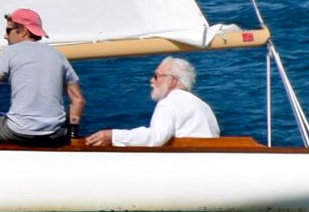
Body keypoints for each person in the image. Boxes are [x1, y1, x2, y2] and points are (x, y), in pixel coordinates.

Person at [0, 8, 83, 145]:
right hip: (55, 135)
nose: (5, 36)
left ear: (24, 31)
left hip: (18, 133)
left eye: (8, 31)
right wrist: (72, 133)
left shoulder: (9, 52)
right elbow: (78, 100)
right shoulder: (58, 55)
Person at [86, 55, 220, 148]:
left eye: (156, 76)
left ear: (173, 80)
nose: (152, 81)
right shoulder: (203, 106)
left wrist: (114, 135)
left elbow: (156, 137)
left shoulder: (169, 103)